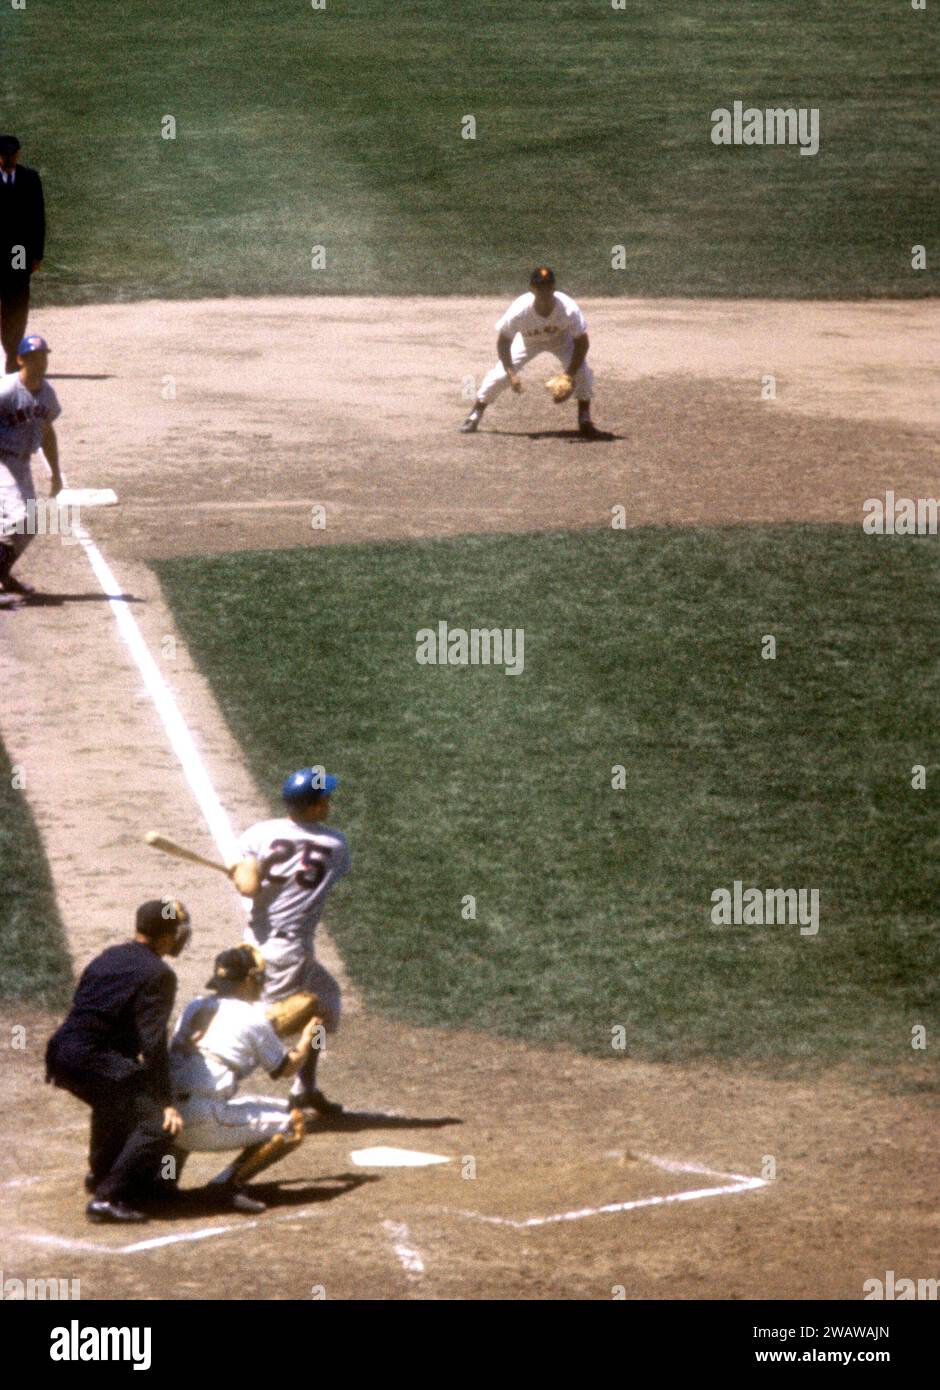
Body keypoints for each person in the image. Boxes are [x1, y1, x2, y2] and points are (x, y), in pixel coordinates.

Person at [45, 900, 191, 1224]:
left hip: (62, 1051)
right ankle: (107, 1198)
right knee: (156, 1123)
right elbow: (153, 1044)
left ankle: (101, 1175)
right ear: (167, 936)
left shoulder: (110, 955)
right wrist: (165, 1100)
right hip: (94, 1059)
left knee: (114, 1103)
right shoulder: (159, 974)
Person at [229, 767, 350, 1115]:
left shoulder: (260, 833)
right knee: (265, 1026)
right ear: (313, 807)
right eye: (325, 797)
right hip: (286, 952)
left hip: (257, 941)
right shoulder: (336, 844)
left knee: (325, 1001)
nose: (329, 801)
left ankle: (305, 1087)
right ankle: (204, 1084)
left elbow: (250, 887)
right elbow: (308, 870)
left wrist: (240, 871)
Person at [169, 945, 322, 1213]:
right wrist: (311, 1037)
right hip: (206, 1120)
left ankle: (165, 1180)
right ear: (250, 979)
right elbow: (286, 1069)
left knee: (181, 1134)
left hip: (169, 1119)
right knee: (293, 1124)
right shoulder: (252, 1018)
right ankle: (225, 1185)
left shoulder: (193, 1007)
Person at [459, 266, 601, 438]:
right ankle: (475, 413)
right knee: (499, 376)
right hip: (528, 342)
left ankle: (584, 418)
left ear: (553, 287)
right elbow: (503, 343)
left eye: (547, 286)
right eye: (540, 287)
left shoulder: (568, 309)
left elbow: (582, 343)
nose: (544, 291)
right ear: (532, 288)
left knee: (582, 372)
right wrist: (511, 375)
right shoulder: (520, 310)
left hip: (561, 341)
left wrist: (568, 376)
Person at [0, 333, 63, 598]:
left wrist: (55, 474)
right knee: (20, 520)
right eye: (33, 358)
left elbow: (47, 433)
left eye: (43, 357)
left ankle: (3, 575)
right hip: (2, 461)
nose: (40, 363)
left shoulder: (47, 394)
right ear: (20, 360)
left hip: (22, 465)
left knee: (29, 526)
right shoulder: (6, 390)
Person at [0, 135, 45, 374]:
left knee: (17, 305)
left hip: (19, 253)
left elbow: (38, 218)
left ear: (18, 154)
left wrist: (36, 254)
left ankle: (12, 352)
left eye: (11, 154)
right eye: (3, 155)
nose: (8, 159)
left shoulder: (30, 179)